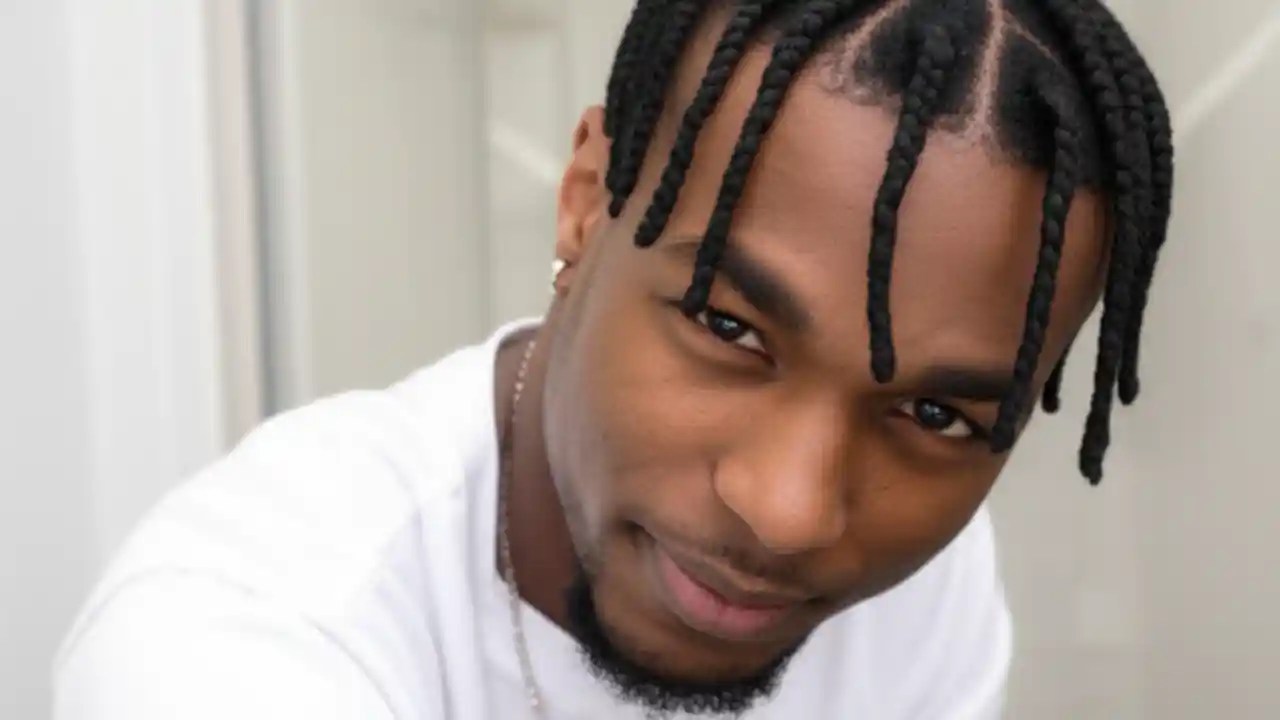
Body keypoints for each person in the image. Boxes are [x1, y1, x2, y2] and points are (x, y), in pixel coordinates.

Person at [54, 1, 1174, 718]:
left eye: (934, 415)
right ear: (587, 200)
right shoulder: (239, 638)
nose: (788, 512)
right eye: (729, 328)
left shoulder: (920, 589)